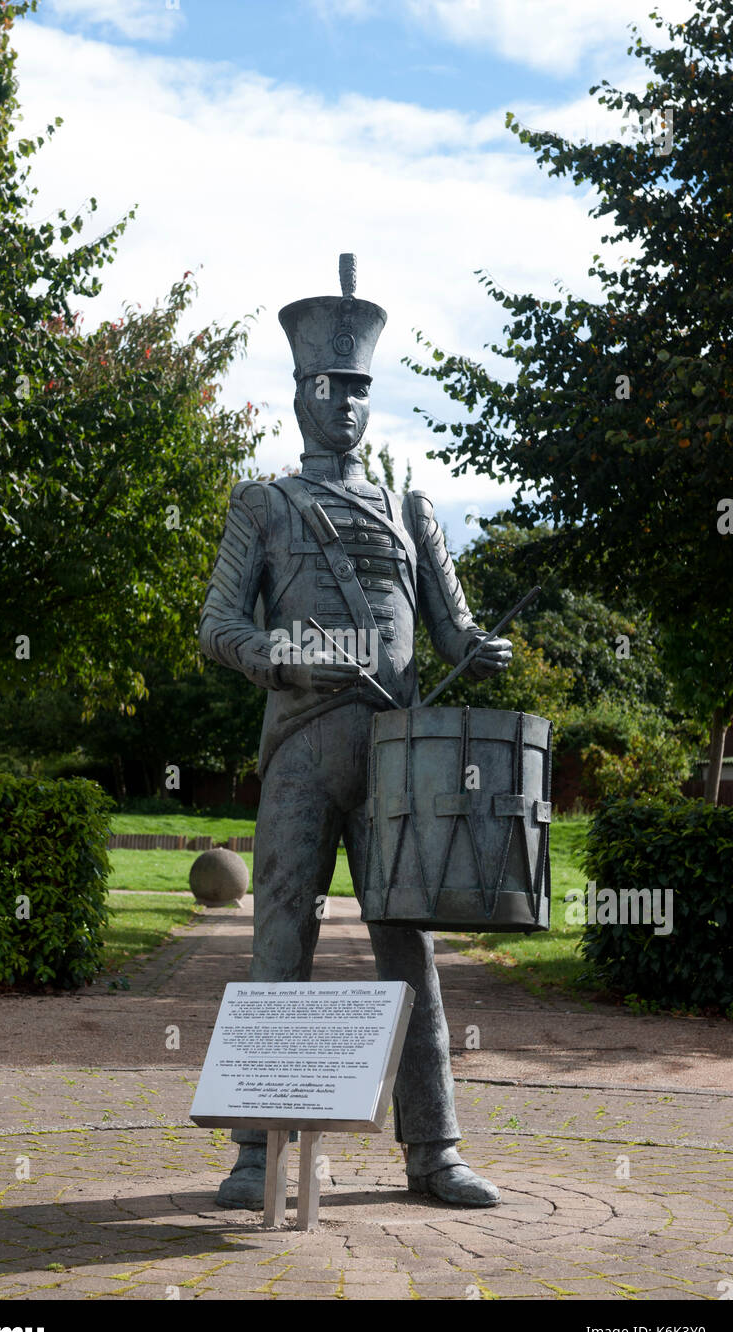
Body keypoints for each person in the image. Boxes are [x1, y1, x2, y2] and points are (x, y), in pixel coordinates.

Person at [199, 255, 512, 1209]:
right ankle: (257, 1151)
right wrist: (290, 658)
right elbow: (218, 628)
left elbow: (454, 631)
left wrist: (482, 647)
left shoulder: (410, 511)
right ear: (299, 394)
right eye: (329, 386)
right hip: (299, 754)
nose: (345, 403)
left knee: (406, 948)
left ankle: (436, 1151)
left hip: (396, 765)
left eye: (359, 390)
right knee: (278, 945)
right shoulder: (264, 504)